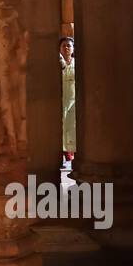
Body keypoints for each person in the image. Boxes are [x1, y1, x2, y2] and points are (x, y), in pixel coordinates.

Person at [59, 37, 75, 168]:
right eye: (63, 46)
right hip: (61, 99)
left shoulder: (77, 64)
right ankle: (64, 155)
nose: (66, 48)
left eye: (69, 46)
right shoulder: (57, 63)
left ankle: (73, 154)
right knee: (62, 128)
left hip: (74, 100)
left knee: (73, 127)